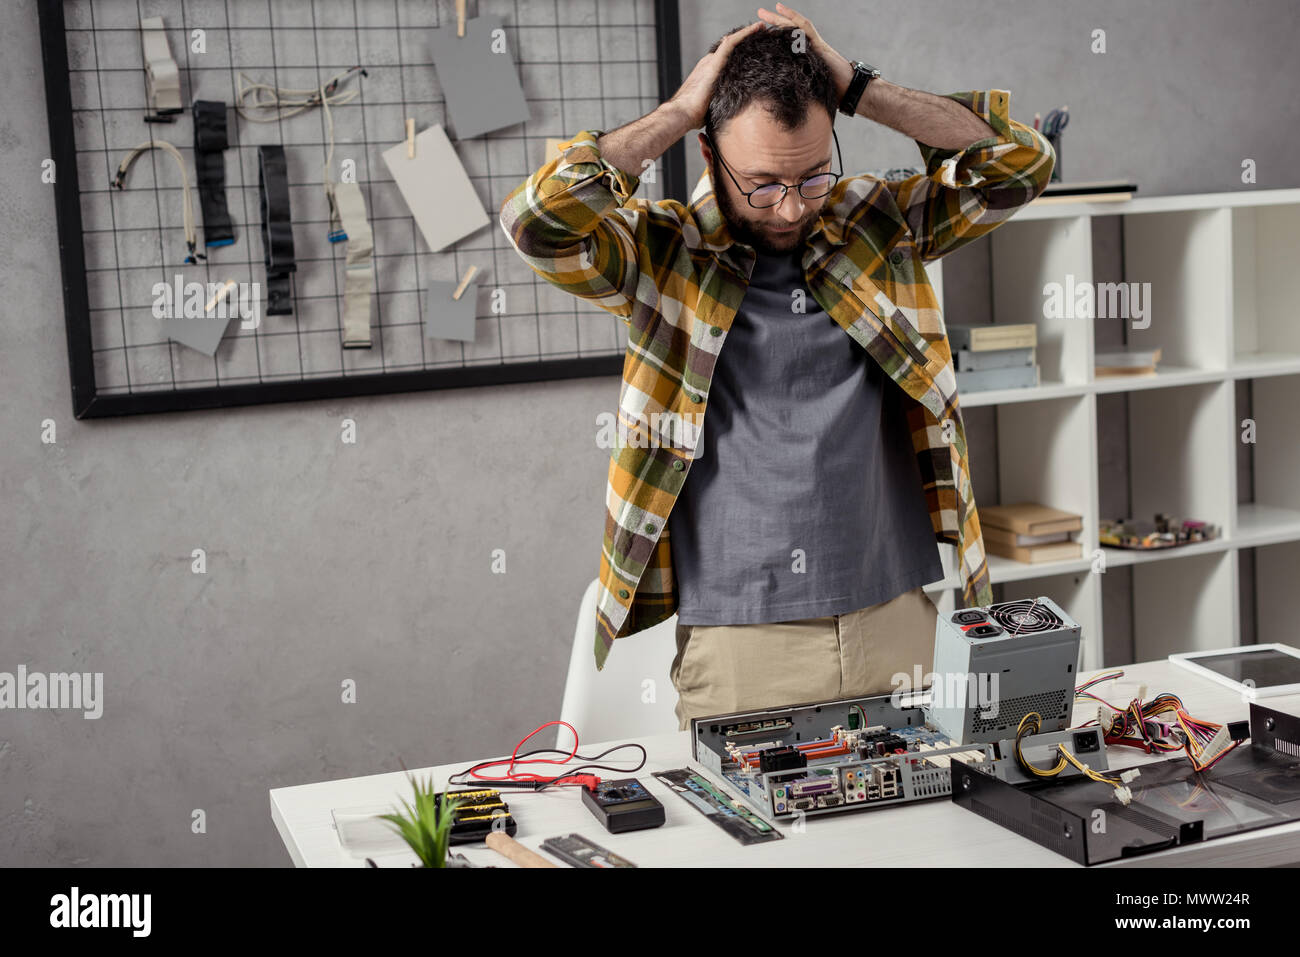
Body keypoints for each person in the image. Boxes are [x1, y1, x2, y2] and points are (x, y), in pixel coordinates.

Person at [500, 4, 1054, 730]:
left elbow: (1019, 163)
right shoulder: (661, 253)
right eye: (763, 184)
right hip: (741, 638)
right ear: (707, 154)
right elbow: (535, 223)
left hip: (896, 613)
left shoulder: (876, 225)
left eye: (814, 177)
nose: (792, 209)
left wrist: (857, 87)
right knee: (755, 841)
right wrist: (675, 112)